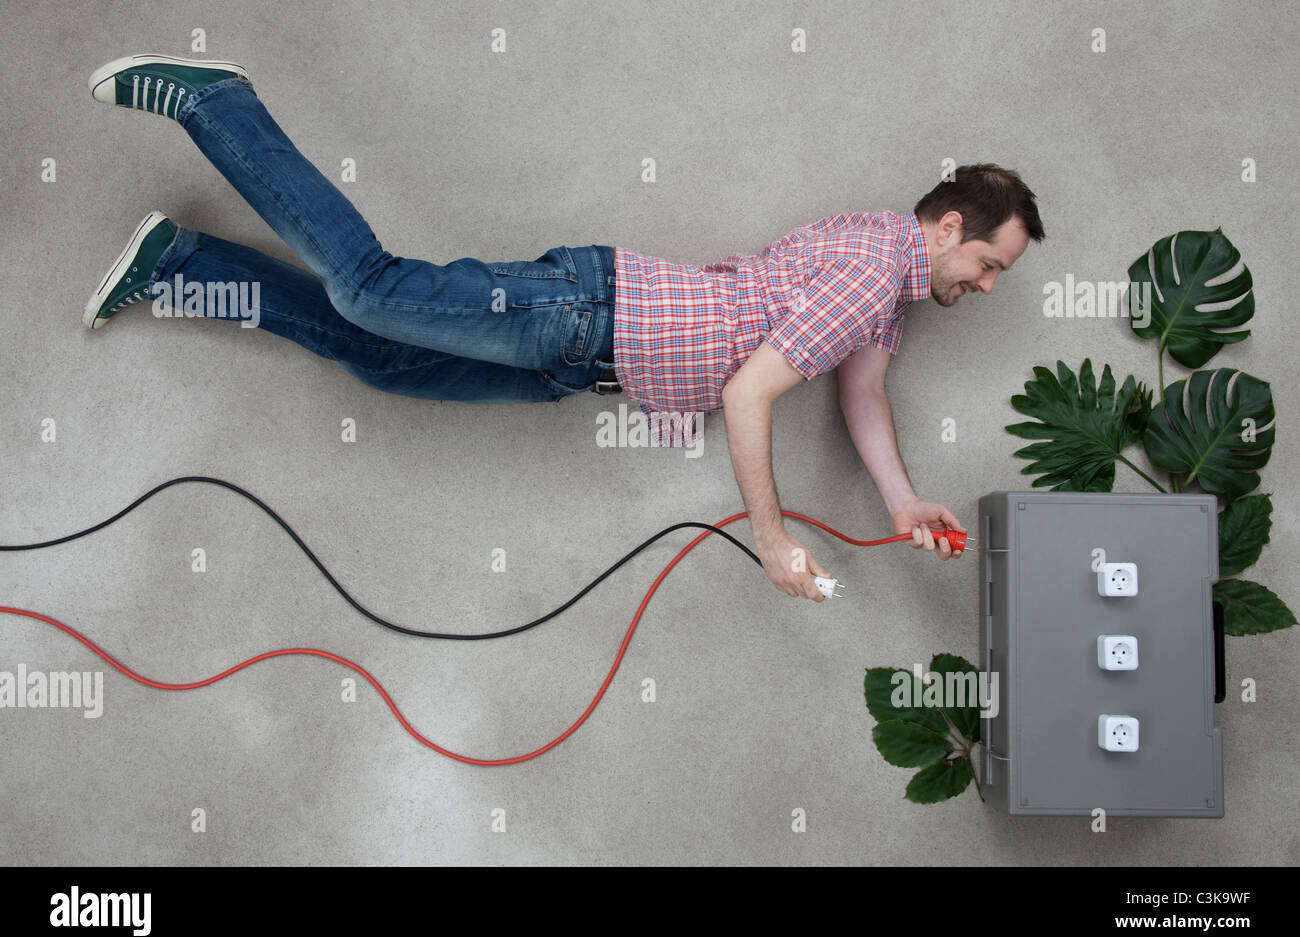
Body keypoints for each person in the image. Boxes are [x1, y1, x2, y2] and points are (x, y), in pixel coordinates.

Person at [83, 53, 1044, 603]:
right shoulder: (880, 266)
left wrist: (903, 502)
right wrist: (770, 536)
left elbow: (864, 392)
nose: (989, 285)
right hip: (589, 317)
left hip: (582, 359)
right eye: (990, 265)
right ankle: (220, 105)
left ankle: (183, 263)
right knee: (374, 292)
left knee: (379, 358)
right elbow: (754, 390)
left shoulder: (885, 279)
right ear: (951, 228)